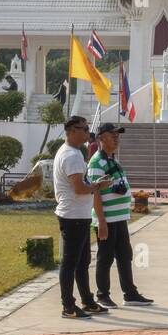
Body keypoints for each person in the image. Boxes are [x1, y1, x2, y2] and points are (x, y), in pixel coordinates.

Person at [87, 123, 154, 308]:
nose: (117, 138)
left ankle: (130, 293)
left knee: (125, 255)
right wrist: (101, 221)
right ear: (101, 138)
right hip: (107, 219)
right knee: (105, 257)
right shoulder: (96, 163)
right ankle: (102, 295)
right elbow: (95, 194)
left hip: (118, 218)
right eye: (112, 135)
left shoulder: (113, 160)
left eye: (118, 135)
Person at [52, 116, 110, 319]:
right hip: (73, 216)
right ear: (72, 130)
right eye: (84, 129)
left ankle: (87, 300)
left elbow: (80, 183)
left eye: (87, 129)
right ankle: (68, 305)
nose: (88, 133)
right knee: (70, 262)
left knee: (82, 260)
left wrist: (93, 184)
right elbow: (78, 188)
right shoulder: (72, 156)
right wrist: (97, 186)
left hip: (78, 215)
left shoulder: (73, 152)